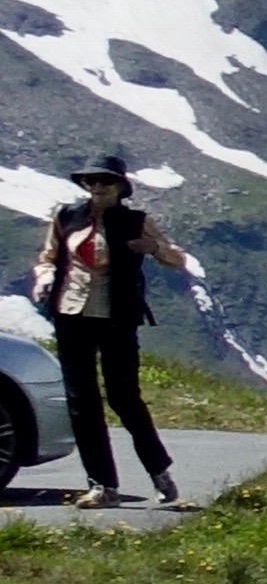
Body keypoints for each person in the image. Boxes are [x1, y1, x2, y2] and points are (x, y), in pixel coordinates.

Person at [31, 156, 186, 508]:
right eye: (92, 182)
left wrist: (154, 248)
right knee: (81, 401)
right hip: (71, 313)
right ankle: (102, 485)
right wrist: (46, 278)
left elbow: (178, 259)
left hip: (117, 317)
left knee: (123, 397)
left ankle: (159, 470)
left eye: (106, 181)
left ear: (120, 187)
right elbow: (48, 257)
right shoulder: (66, 217)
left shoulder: (137, 221)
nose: (98, 187)